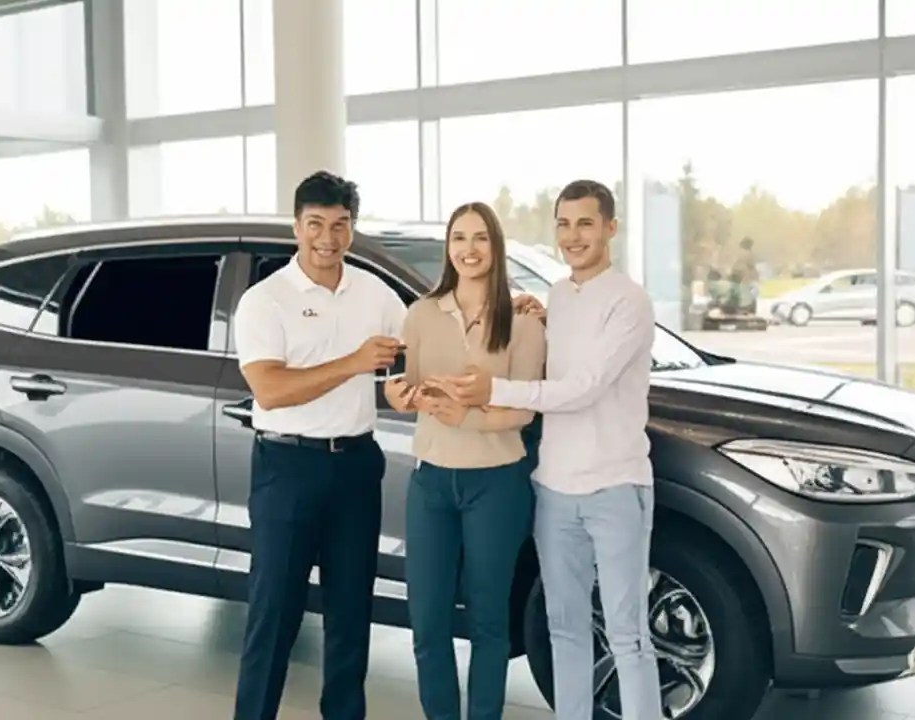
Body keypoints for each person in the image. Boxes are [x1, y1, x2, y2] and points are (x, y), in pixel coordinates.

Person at [424, 180, 662, 720]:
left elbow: (584, 387)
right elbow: (561, 357)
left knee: (628, 635)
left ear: (610, 228)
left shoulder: (630, 301)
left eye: (585, 223)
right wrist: (544, 318)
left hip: (616, 487)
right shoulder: (558, 295)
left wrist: (494, 391)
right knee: (564, 630)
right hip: (554, 490)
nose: (572, 235)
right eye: (563, 223)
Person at [232, 170, 408, 720]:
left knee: (351, 616)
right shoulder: (266, 301)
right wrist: (355, 362)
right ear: (297, 226)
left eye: (340, 225)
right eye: (316, 225)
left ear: (352, 228)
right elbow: (270, 388)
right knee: (274, 615)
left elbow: (422, 348)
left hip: (356, 468)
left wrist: (513, 309)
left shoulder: (377, 295)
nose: (328, 238)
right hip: (287, 467)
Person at [382, 202, 546, 720]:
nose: (469, 249)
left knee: (489, 623)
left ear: (496, 247)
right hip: (431, 483)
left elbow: (523, 410)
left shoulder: (522, 321)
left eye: (480, 238)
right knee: (427, 623)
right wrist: (397, 396)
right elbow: (409, 387)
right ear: (447, 247)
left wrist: (464, 417)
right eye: (459, 238)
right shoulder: (422, 313)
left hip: (497, 485)